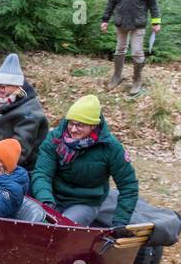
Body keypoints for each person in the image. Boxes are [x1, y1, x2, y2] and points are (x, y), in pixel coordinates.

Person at [32, 94, 138, 231]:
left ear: (93, 126)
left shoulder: (111, 148)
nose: (73, 129)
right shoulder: (55, 139)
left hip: (85, 202)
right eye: (71, 123)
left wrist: (120, 222)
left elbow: (128, 185)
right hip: (53, 195)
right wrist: (46, 201)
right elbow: (42, 173)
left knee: (61, 230)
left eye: (80, 125)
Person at [0, 53, 48, 172]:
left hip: (7, 175)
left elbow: (19, 151)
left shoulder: (29, 113)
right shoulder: (5, 103)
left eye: (2, 87)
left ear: (16, 86)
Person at [100, 0, 160, 97]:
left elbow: (153, 3)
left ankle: (137, 80)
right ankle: (116, 76)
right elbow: (111, 1)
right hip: (120, 20)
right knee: (120, 49)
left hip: (138, 22)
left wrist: (156, 21)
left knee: (137, 52)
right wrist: (105, 19)